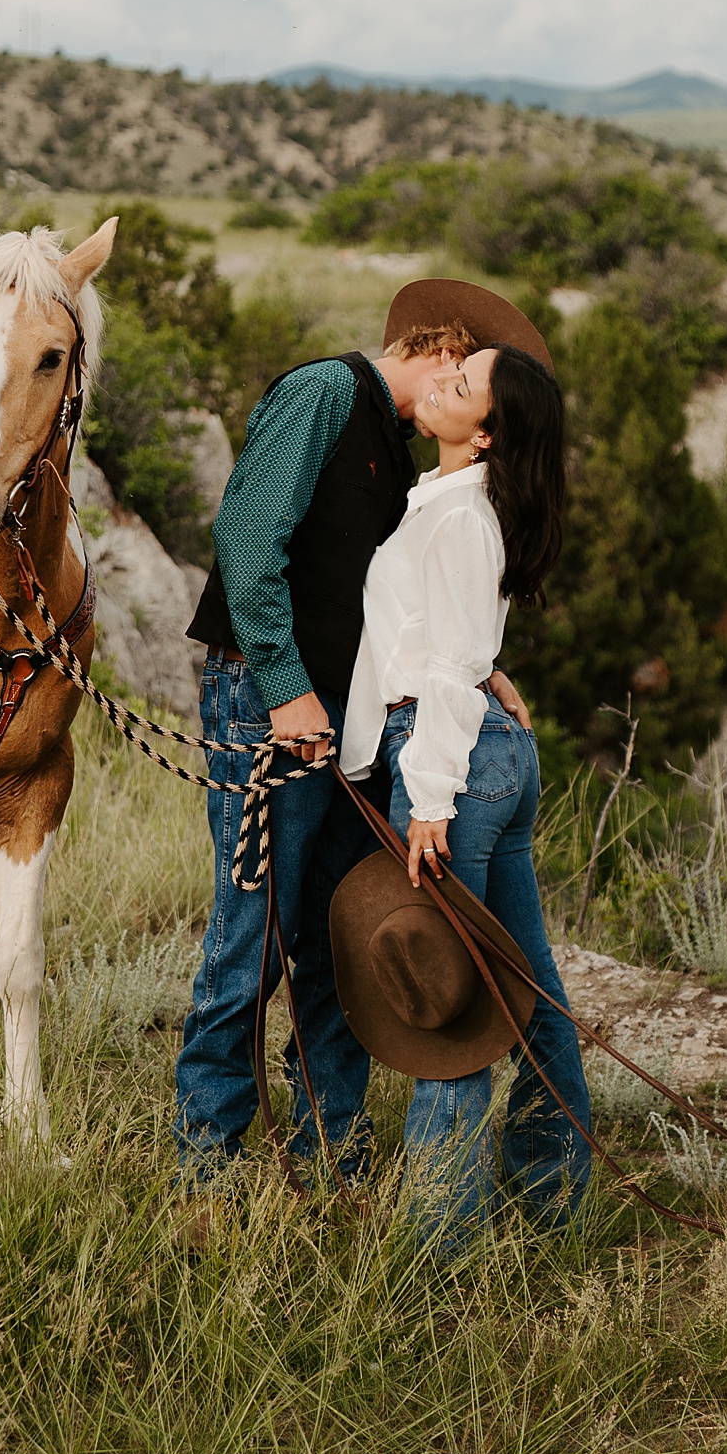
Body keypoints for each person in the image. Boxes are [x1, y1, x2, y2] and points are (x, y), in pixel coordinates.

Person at [175, 282, 532, 1195]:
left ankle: (333, 1156)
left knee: (338, 935)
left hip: (351, 724)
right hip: (272, 704)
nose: (461, 388)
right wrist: (289, 691)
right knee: (252, 935)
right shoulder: (325, 395)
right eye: (463, 368)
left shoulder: (401, 451)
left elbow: (398, 597)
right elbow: (249, 542)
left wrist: (474, 665)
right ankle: (204, 1166)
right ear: (443, 352)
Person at [339, 333, 591, 1239]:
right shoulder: (452, 502)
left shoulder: (456, 516)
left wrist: (432, 799)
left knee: (451, 1002)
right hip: (488, 756)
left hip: (451, 759)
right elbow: (462, 650)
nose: (445, 379)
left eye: (467, 380)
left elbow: (447, 668)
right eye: (454, 368)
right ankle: (552, 1195)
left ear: (486, 433)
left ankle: (439, 1243)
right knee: (532, 987)